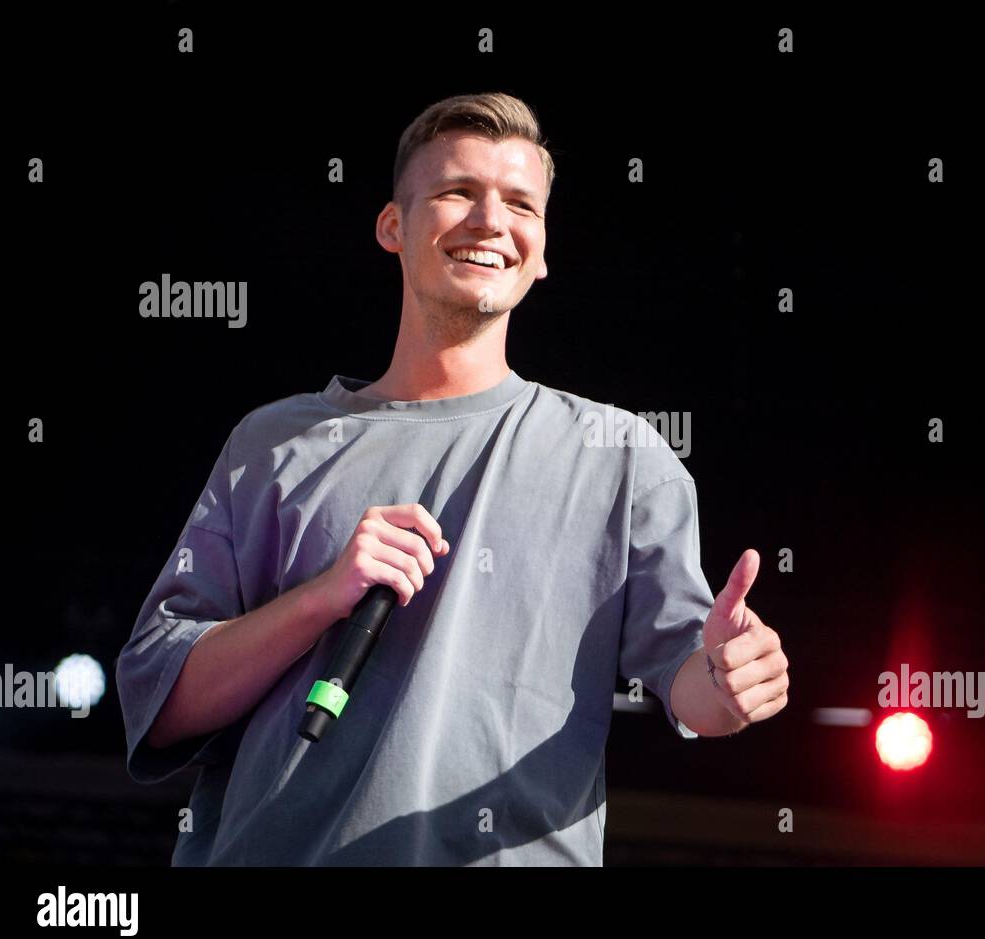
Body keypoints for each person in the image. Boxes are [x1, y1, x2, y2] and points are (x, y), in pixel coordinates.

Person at [116, 92, 789, 865]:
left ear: (541, 253)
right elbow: (159, 703)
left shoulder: (620, 456)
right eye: (456, 192)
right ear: (393, 227)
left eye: (519, 204)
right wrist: (321, 598)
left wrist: (733, 681)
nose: (488, 221)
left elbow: (691, 688)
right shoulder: (273, 442)